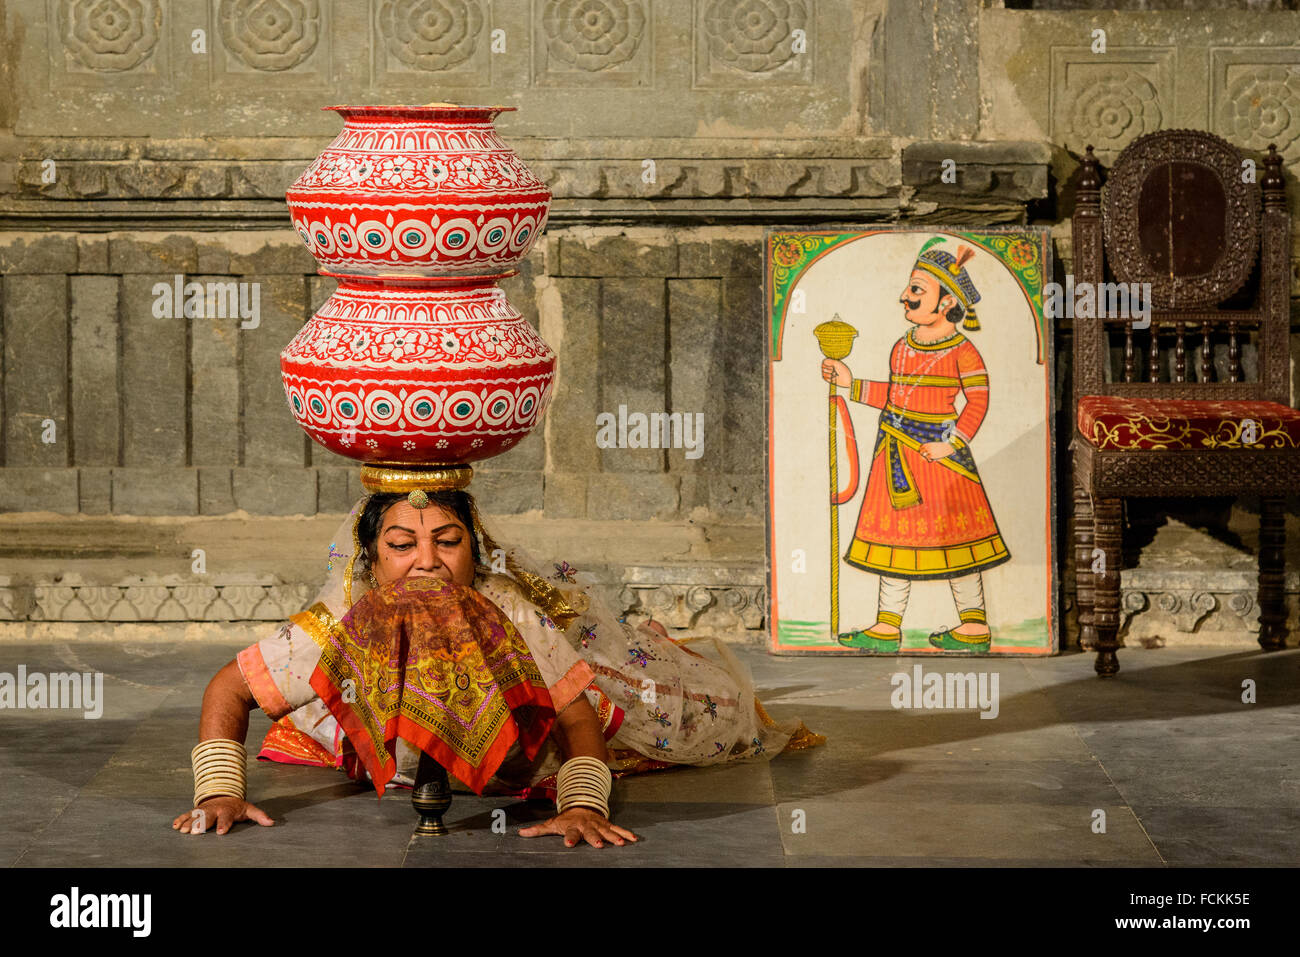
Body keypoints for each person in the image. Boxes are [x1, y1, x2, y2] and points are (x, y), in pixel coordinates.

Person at [173, 488, 818, 847]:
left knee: (707, 711)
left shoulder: (505, 609)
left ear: (474, 554)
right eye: (401, 546)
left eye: (446, 541)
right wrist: (220, 792)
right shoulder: (344, 616)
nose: (426, 561)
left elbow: (574, 713)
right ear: (371, 562)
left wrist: (584, 803)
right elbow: (228, 688)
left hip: (519, 753)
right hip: (395, 747)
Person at [820, 238, 1010, 653]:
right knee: (894, 542)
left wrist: (952, 443)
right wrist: (851, 385)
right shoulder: (903, 345)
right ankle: (887, 628)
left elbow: (978, 400)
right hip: (895, 454)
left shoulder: (964, 351)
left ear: (946, 303)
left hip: (939, 458)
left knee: (957, 543)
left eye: (917, 290)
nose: (904, 296)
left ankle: (975, 626)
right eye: (910, 288)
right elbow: (896, 394)